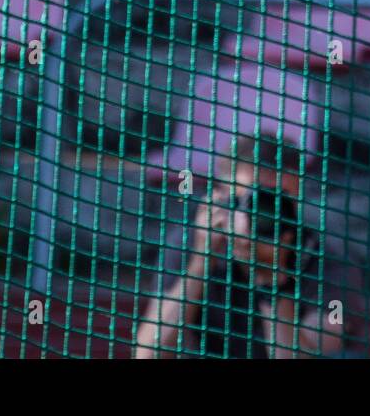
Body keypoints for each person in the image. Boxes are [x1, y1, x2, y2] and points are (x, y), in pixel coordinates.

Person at [133, 139, 341, 358]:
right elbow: (149, 353)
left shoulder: (326, 261)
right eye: (251, 200)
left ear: (297, 199)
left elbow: (315, 353)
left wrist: (273, 278)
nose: (266, 213)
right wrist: (202, 260)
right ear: (222, 197)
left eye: (279, 202)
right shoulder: (195, 240)